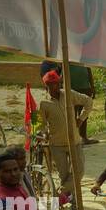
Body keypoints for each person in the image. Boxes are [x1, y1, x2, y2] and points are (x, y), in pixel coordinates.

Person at [38, 70, 92, 198]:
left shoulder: (69, 94)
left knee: (79, 171)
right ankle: (70, 201)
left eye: (57, 83)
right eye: (51, 84)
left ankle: (59, 194)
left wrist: (80, 119)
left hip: (75, 142)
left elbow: (88, 101)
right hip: (56, 145)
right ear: (46, 86)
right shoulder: (42, 102)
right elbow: (39, 123)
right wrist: (42, 133)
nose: (55, 87)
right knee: (64, 176)